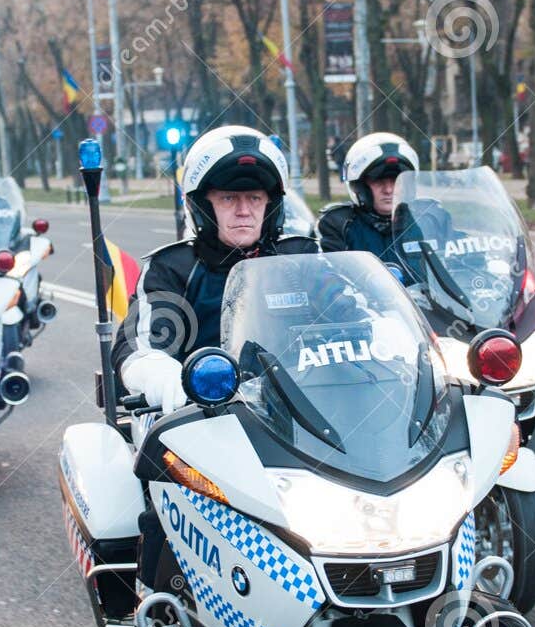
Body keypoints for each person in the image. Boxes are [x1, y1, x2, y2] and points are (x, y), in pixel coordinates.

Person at [113, 126, 318, 414]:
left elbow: (349, 312)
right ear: (202, 207)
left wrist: (385, 329)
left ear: (271, 206)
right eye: (229, 198)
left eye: (255, 198)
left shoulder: (302, 258)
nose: (244, 210)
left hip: (304, 411)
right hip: (207, 416)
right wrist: (156, 370)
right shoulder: (174, 269)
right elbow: (138, 345)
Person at [317, 133, 421, 280]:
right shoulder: (339, 225)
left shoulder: (429, 219)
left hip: (426, 303)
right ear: (360, 187)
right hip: (363, 303)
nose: (389, 190)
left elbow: (454, 269)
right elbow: (328, 281)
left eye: (396, 181)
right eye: (379, 181)